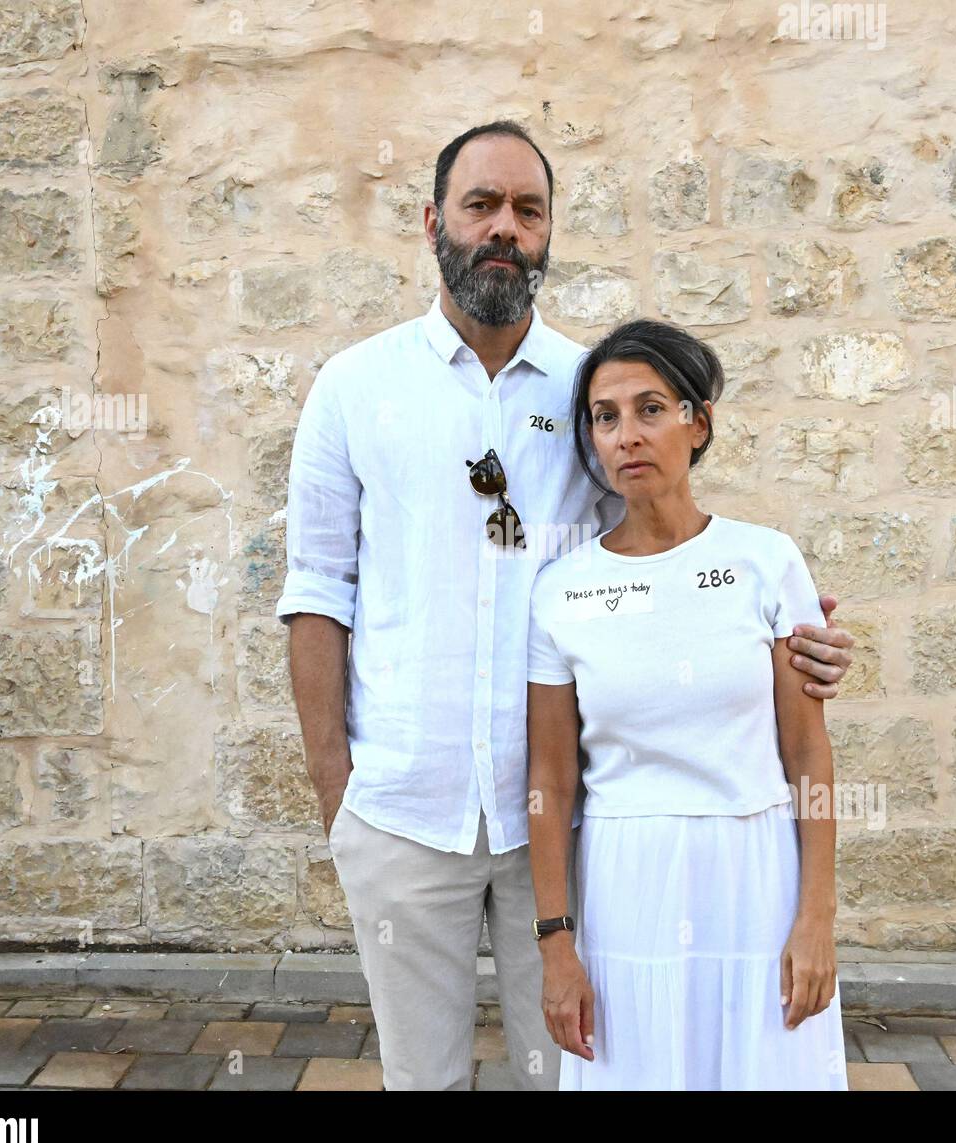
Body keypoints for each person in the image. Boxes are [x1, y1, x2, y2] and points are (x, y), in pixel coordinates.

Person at [276, 119, 856, 1091]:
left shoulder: (594, 397)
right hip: (402, 811)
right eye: (481, 205)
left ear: (547, 234)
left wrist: (783, 635)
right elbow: (316, 594)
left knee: (578, 1077)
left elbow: (659, 556)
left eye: (527, 210)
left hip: (572, 823)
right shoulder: (353, 388)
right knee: (423, 1081)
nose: (504, 227)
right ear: (433, 222)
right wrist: (341, 798)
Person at [526, 318, 849, 1090]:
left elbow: (807, 752)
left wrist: (817, 916)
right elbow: (550, 778)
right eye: (606, 416)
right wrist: (556, 945)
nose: (626, 434)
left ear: (696, 421)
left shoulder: (764, 561)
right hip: (626, 883)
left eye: (650, 408)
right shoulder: (561, 591)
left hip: (756, 875)